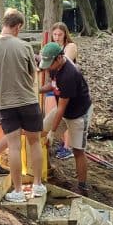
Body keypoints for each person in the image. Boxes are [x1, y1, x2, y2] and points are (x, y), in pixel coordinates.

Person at [0, 8, 45, 203]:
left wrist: (1, 93)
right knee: (34, 142)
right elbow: (32, 75)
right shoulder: (24, 47)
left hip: (6, 105)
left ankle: (17, 191)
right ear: (17, 27)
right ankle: (38, 185)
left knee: (14, 147)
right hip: (28, 101)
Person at [39, 41, 93, 195]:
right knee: (41, 131)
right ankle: (44, 169)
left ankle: (82, 186)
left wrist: (53, 132)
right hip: (63, 108)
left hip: (78, 114)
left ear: (59, 58)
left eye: (50, 63)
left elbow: (61, 109)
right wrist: (39, 90)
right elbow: (53, 85)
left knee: (77, 150)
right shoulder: (54, 66)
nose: (48, 67)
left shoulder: (70, 74)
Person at [45, 21, 78, 160]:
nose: (57, 37)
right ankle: (54, 141)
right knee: (51, 115)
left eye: (60, 34)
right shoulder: (50, 47)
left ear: (65, 35)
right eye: (55, 34)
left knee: (64, 114)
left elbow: (66, 61)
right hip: (53, 84)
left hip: (66, 85)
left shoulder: (70, 46)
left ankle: (67, 147)